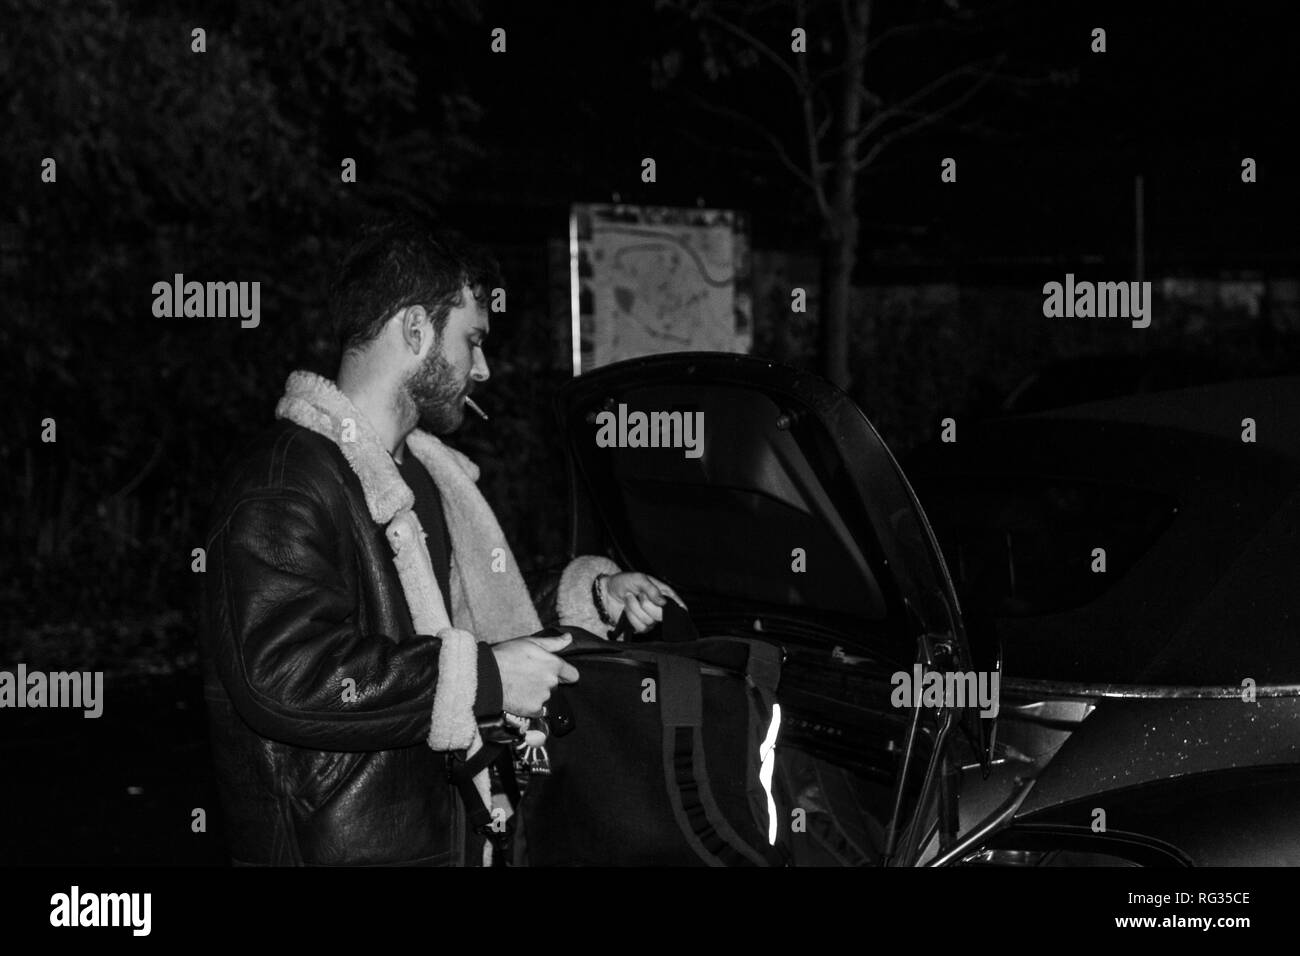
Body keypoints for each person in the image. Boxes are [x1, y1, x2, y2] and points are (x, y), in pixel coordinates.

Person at [198, 217, 681, 866]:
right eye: (472, 340)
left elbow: (463, 612)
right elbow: (281, 675)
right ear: (415, 328)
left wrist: (590, 594)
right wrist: (482, 678)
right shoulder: (286, 482)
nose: (482, 368)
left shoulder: (424, 474)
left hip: (440, 838)